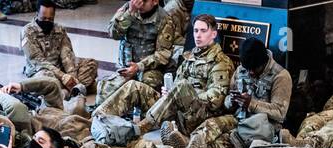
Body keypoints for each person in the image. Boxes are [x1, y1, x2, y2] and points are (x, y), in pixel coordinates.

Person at [94, 13, 232, 141]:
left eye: (203, 31)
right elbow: (177, 83)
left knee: (182, 86)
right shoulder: (190, 56)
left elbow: (216, 99)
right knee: (134, 87)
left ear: (213, 34)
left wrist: (183, 94)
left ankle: (140, 128)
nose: (198, 35)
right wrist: (169, 91)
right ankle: (98, 118)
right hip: (174, 110)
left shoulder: (220, 62)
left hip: (196, 118)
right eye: (196, 31)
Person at [175, 37, 291, 148]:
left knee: (223, 142)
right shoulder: (241, 70)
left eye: (254, 69)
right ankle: (188, 146)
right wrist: (231, 101)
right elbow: (227, 101)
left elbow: (279, 112)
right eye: (247, 69)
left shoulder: (281, 76)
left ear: (264, 62)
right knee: (210, 125)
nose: (250, 72)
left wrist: (251, 104)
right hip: (237, 118)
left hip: (258, 127)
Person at [97, 0, 178, 103]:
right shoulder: (128, 8)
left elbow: (163, 54)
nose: (138, 3)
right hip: (125, 68)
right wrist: (129, 13)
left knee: (146, 91)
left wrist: (139, 66)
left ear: (155, 2)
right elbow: (113, 34)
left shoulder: (164, 19)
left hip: (149, 69)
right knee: (104, 94)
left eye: (144, 1)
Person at [21, 2, 98, 102]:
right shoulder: (27, 31)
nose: (47, 21)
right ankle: (76, 90)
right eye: (43, 18)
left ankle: (66, 91)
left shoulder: (59, 29)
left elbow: (67, 55)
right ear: (37, 14)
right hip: (41, 70)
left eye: (50, 19)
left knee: (90, 64)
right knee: (46, 79)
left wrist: (72, 77)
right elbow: (38, 60)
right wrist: (63, 76)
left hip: (61, 69)